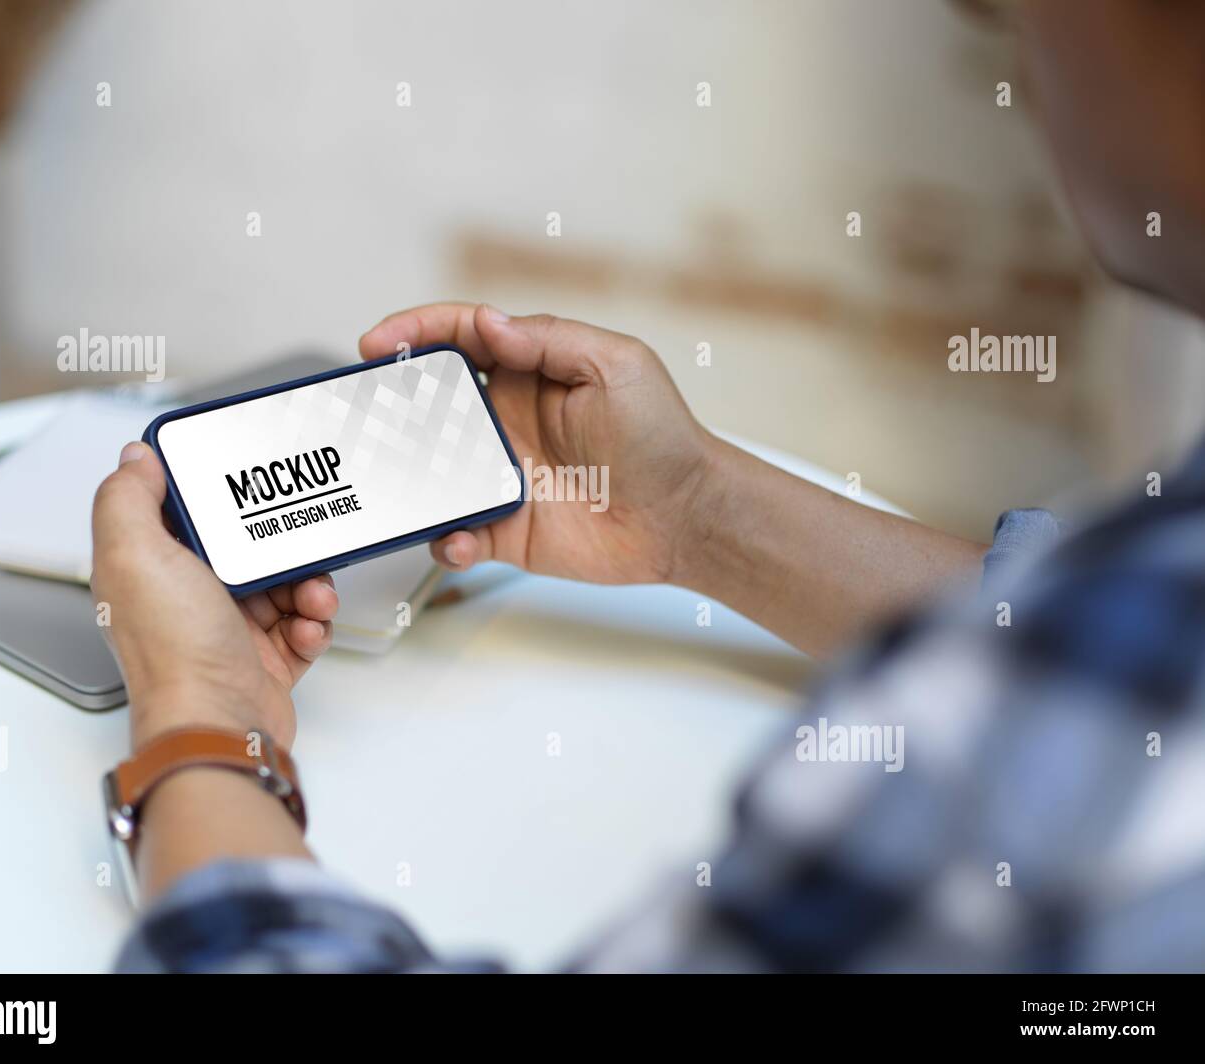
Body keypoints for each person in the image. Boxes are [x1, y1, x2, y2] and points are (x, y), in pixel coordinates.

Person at [96, 0, 1205, 972]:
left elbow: (1090, 673)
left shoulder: (1034, 774)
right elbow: (1085, 632)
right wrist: (695, 516)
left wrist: (202, 723)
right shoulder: (1125, 624)